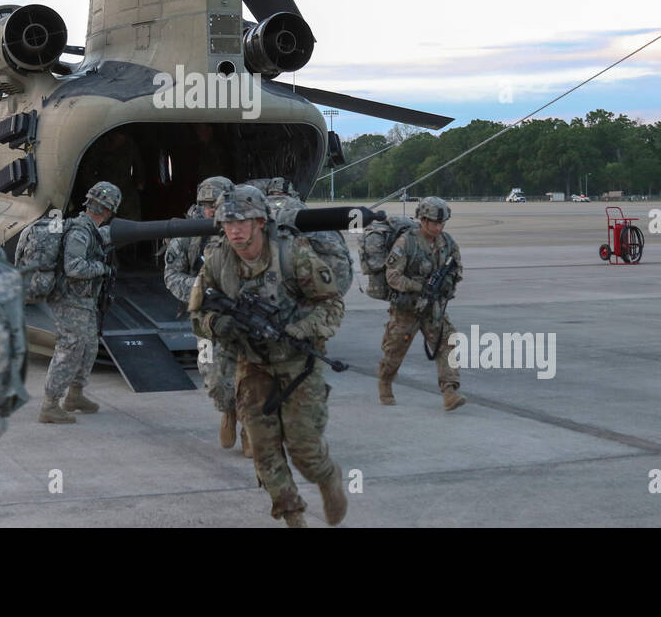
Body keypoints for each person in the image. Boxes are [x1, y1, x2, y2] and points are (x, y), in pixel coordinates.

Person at [189, 185, 348, 528]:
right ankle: (293, 516)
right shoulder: (217, 260)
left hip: (299, 364)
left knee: (304, 450)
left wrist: (302, 330)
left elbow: (333, 304)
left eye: (242, 222)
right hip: (253, 364)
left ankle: (327, 477)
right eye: (227, 223)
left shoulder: (294, 255)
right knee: (263, 451)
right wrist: (219, 324)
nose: (234, 230)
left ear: (260, 221)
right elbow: (196, 316)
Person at [163, 176, 247, 454]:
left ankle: (250, 426)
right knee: (212, 378)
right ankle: (229, 411)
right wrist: (202, 290)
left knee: (250, 375)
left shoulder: (244, 230)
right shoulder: (188, 234)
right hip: (206, 321)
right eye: (205, 204)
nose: (210, 210)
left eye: (216, 204)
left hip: (242, 317)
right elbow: (172, 275)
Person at [39, 181, 121, 424]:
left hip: (83, 299)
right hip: (69, 299)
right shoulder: (80, 231)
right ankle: (50, 405)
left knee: (88, 347)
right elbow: (73, 267)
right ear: (109, 210)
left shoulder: (90, 230)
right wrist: (103, 269)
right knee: (70, 348)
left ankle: (75, 396)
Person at [378, 196, 465, 411]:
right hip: (407, 310)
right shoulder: (406, 242)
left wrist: (447, 282)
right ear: (423, 220)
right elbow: (392, 276)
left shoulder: (447, 243)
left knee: (448, 342)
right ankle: (385, 381)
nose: (438, 227)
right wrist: (418, 286)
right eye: (435, 223)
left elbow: (457, 269)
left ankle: (449, 391)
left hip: (434, 308)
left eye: (441, 224)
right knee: (395, 351)